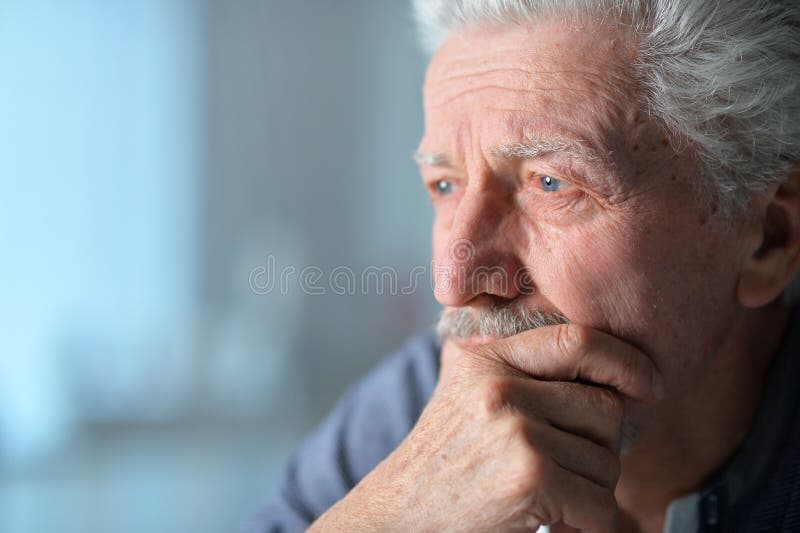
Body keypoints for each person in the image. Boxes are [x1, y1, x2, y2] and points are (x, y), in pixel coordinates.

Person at [246, 1, 800, 531]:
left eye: (552, 184)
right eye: (445, 185)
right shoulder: (418, 407)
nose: (453, 282)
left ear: (767, 241)